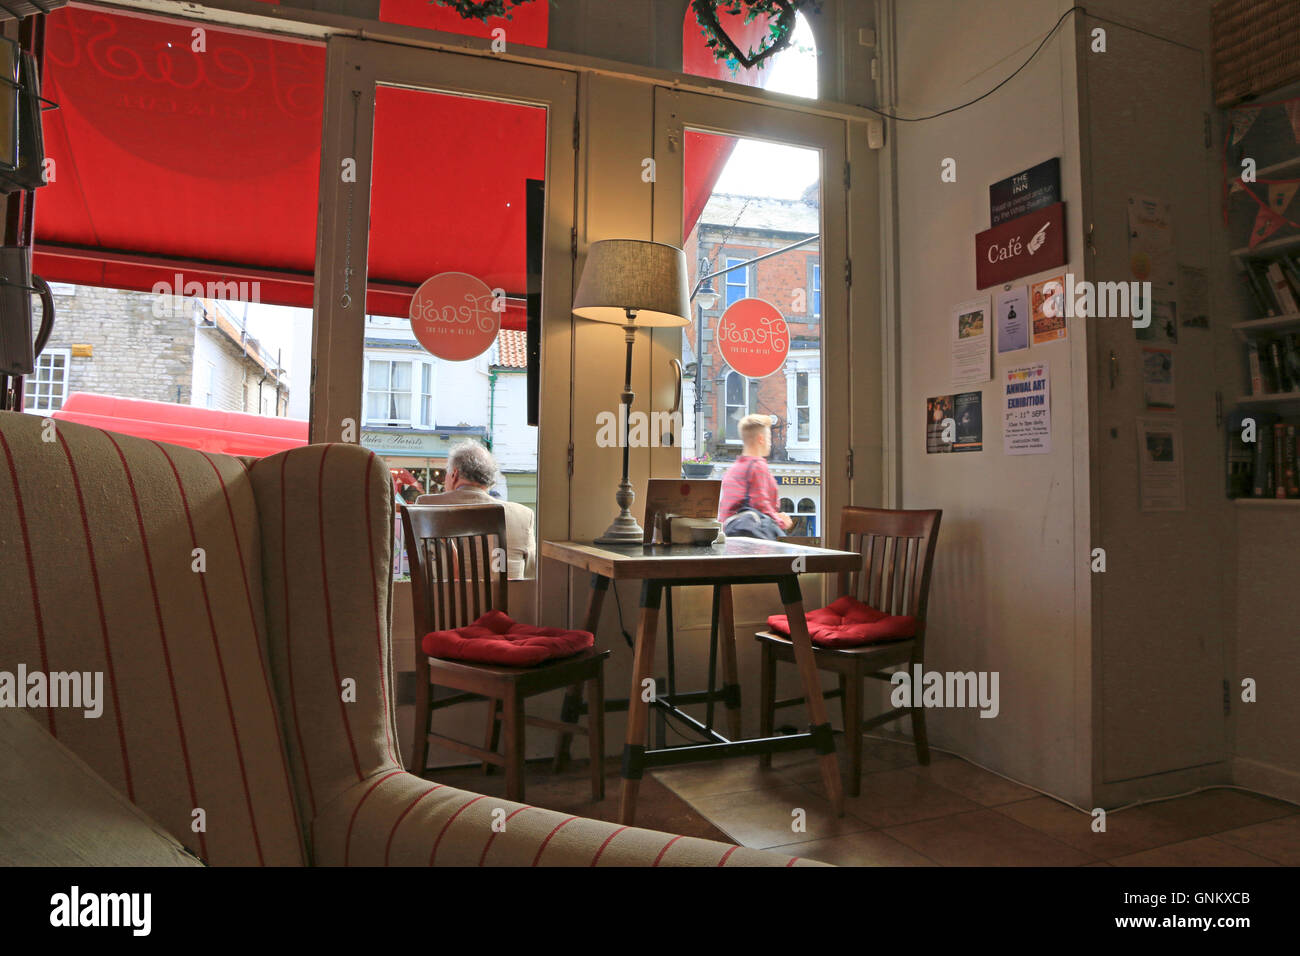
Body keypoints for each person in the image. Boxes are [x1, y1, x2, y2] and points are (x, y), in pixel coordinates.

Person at [417, 442, 535, 579]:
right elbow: (530, 577)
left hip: (440, 600)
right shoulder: (523, 516)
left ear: (454, 474)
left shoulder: (426, 506)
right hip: (506, 600)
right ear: (490, 480)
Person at [718, 413, 792, 539]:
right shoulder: (757, 466)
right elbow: (760, 504)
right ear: (761, 439)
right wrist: (781, 521)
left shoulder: (733, 469)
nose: (770, 443)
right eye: (769, 438)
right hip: (752, 540)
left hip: (730, 535)